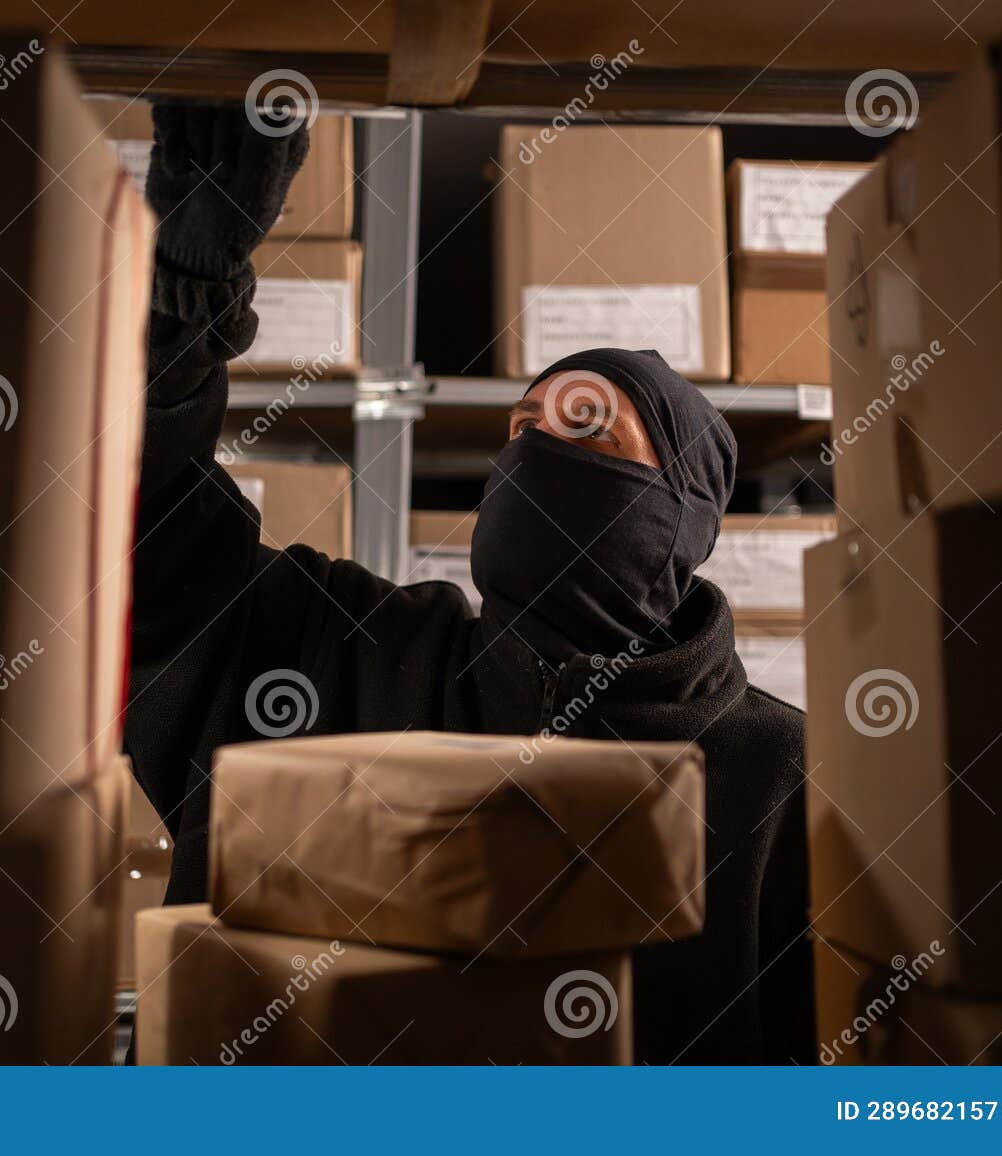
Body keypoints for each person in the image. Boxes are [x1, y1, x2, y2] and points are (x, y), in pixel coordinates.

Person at [125, 102, 811, 1064]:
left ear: (682, 515)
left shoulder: (779, 774)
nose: (529, 449)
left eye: (581, 424)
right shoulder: (342, 654)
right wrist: (182, 302)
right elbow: (142, 538)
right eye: (518, 429)